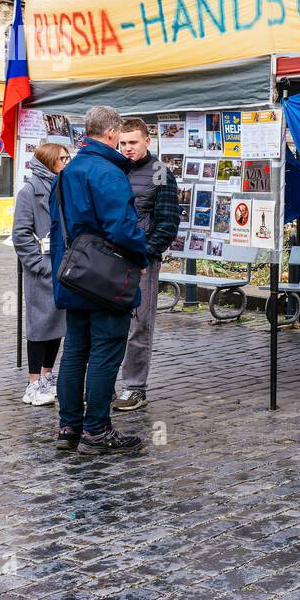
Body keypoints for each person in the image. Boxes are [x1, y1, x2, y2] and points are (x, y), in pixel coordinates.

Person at [49, 105, 149, 455]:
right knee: (106, 352)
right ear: (110, 133)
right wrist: (142, 255)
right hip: (105, 280)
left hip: (74, 277)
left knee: (76, 351)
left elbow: (57, 228)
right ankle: (97, 430)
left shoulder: (67, 171)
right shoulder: (106, 172)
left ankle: (69, 427)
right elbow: (121, 227)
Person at [114, 119, 180, 412]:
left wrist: (145, 254)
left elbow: (167, 224)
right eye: (123, 143)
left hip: (141, 261)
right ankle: (105, 383)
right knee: (109, 322)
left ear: (147, 141)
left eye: (133, 143)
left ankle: (134, 387)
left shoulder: (160, 174)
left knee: (139, 324)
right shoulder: (114, 169)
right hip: (109, 259)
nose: (128, 148)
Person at [12, 143, 70, 408]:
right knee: (38, 327)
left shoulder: (64, 186)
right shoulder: (29, 192)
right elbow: (21, 235)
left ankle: (47, 374)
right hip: (42, 270)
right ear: (49, 161)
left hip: (61, 269)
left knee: (57, 325)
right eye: (63, 158)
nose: (67, 162)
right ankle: (33, 381)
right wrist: (39, 265)